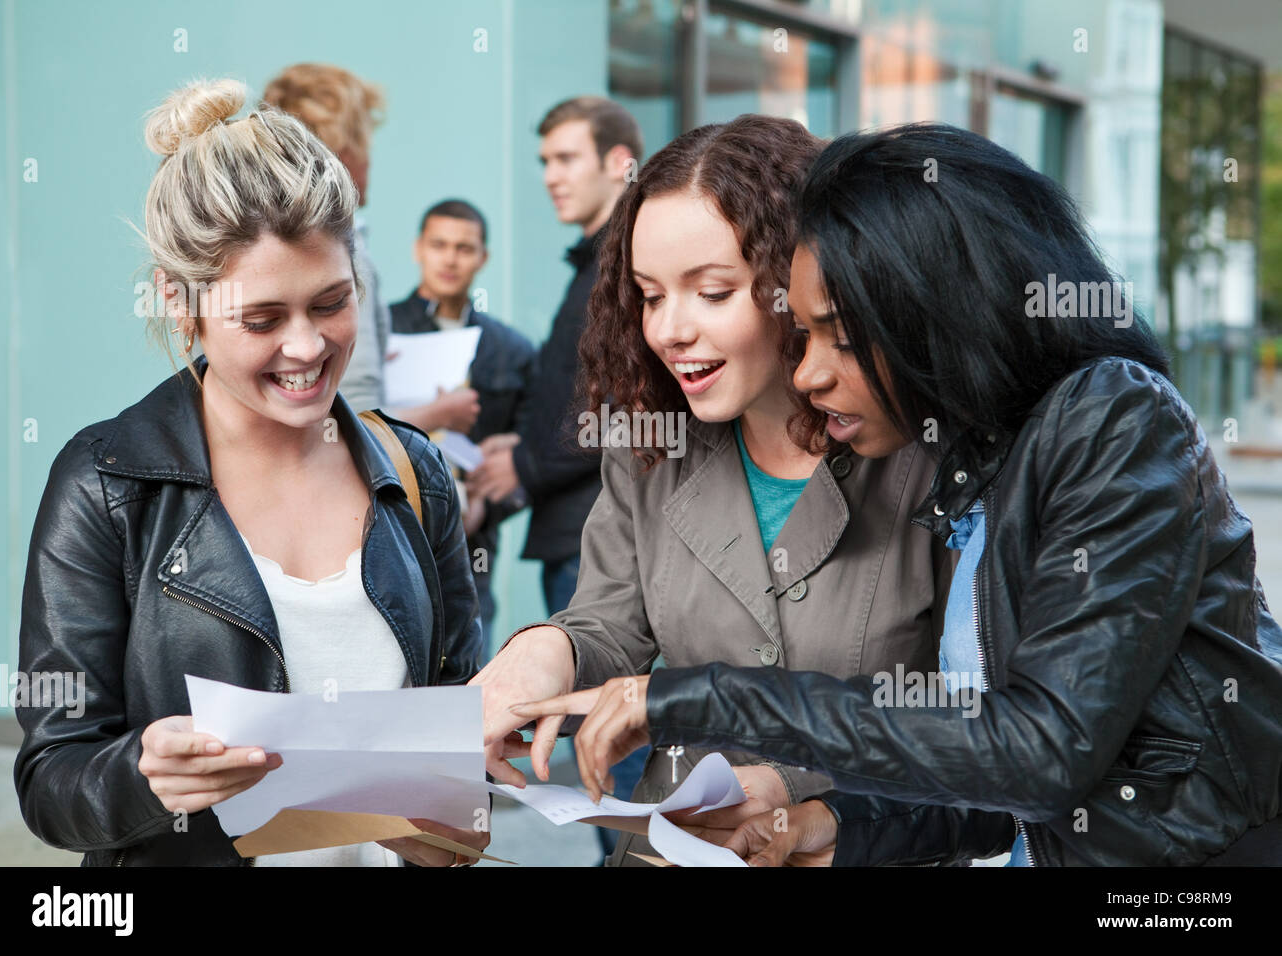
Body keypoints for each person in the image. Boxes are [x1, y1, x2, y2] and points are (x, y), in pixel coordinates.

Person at [516, 123, 1282, 867]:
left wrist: (696, 697)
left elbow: (1043, 753)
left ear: (939, 312)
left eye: (841, 337)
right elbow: (990, 772)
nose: (812, 375)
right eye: (807, 336)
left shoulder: (1112, 417)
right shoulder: (985, 456)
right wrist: (831, 825)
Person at [12, 79, 485, 867]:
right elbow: (50, 779)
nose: (306, 348)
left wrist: (453, 825)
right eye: (261, 320)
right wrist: (142, 773)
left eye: (331, 303)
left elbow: (461, 748)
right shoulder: (106, 486)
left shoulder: (415, 472)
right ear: (178, 301)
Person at [473, 115, 954, 866]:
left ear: (803, 280)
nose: (670, 329)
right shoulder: (650, 446)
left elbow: (979, 726)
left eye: (713, 292)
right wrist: (545, 653)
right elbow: (609, 620)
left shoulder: (920, 453)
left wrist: (808, 799)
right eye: (649, 295)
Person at [467, 96, 642, 617]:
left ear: (617, 163)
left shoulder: (630, 261)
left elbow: (624, 404)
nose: (550, 176)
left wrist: (524, 463)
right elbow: (582, 389)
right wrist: (523, 443)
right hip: (579, 531)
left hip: (597, 535)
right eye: (545, 162)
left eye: (566, 159)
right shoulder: (596, 263)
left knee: (588, 699)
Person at [389, 199, 535, 648]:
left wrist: (487, 507)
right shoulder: (377, 330)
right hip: (390, 524)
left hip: (473, 547)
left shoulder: (512, 349)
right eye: (439, 245)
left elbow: (529, 453)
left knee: (468, 670)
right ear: (418, 249)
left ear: (483, 257)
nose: (450, 258)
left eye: (464, 248)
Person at [263, 63, 390, 414]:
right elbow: (360, 407)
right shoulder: (339, 250)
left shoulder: (251, 238)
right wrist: (441, 413)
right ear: (344, 148)